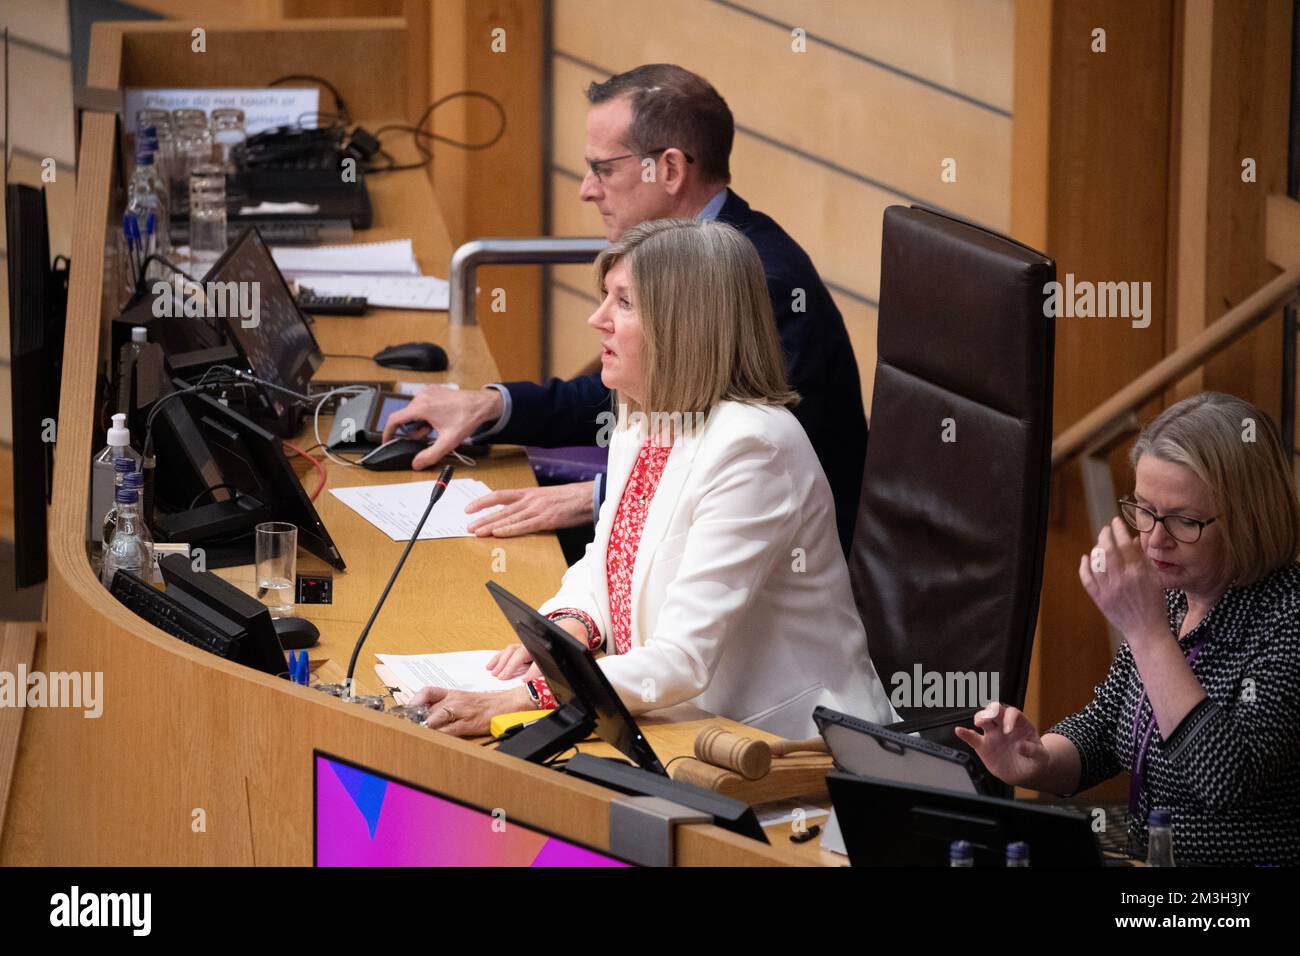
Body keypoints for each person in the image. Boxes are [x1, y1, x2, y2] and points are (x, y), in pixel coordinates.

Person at [408, 218, 895, 740]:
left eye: (624, 303)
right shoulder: (646, 416)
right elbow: (607, 558)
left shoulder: (754, 449)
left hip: (787, 750)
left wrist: (519, 699)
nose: (597, 320)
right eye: (604, 297)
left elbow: (683, 658)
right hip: (674, 724)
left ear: (684, 324)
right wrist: (572, 625)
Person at [383, 63, 868, 555]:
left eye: (603, 169)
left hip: (768, 557)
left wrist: (596, 498)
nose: (586, 189)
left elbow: (750, 464)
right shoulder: (677, 254)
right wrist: (494, 405)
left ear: (671, 169)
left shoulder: (762, 283)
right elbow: (631, 398)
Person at [955, 392, 1300, 865]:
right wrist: (1036, 758)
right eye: (1143, 509)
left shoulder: (1286, 616)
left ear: (1249, 516)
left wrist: (1146, 632)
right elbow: (1105, 728)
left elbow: (1227, 779)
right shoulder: (1176, 599)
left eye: (1183, 520)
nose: (1154, 538)